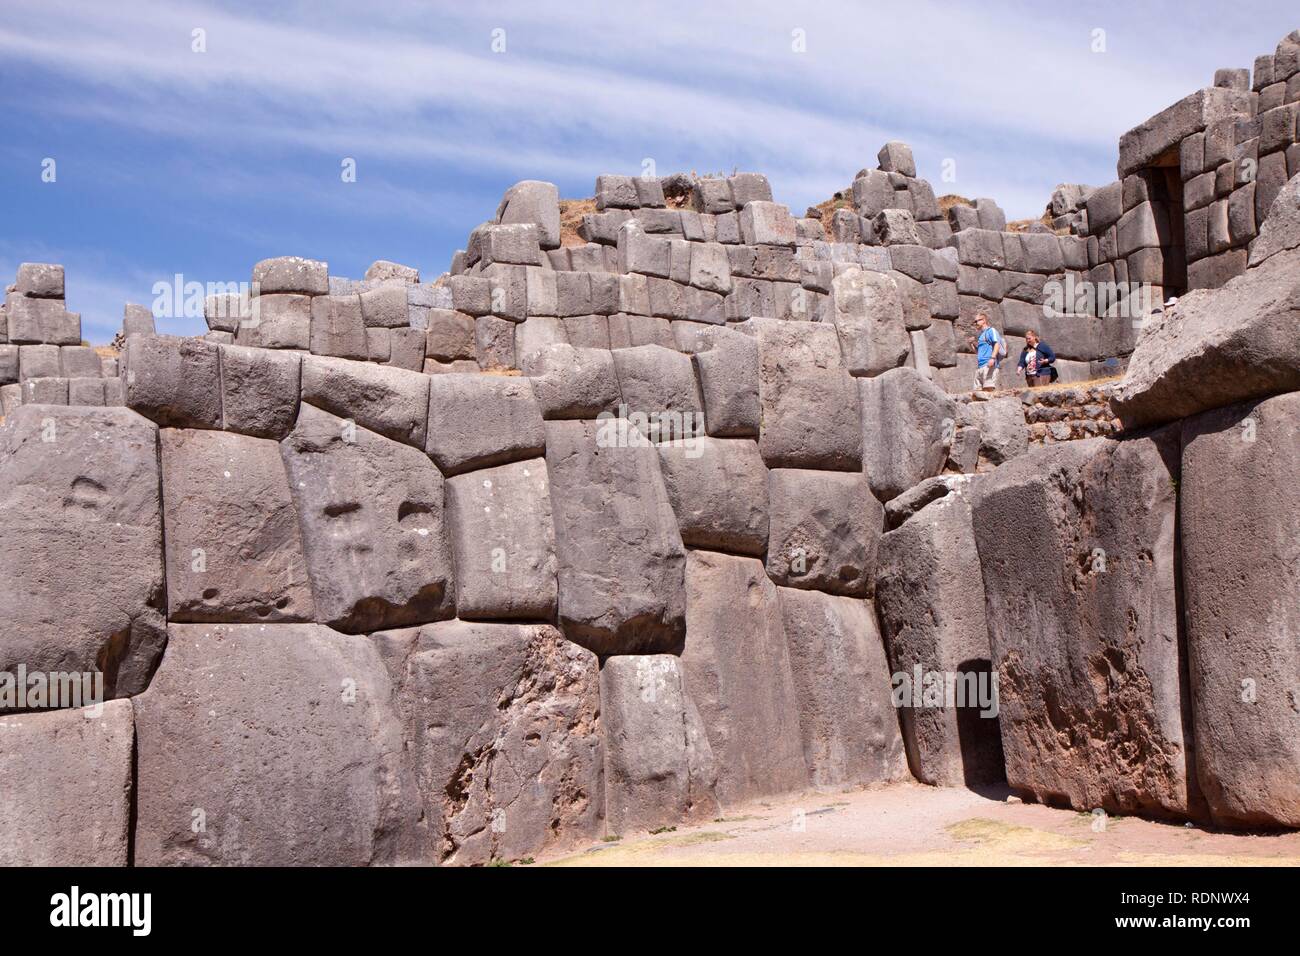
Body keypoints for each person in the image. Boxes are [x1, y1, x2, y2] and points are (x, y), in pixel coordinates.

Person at [972, 312, 1005, 392]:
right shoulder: (981, 336)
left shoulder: (991, 331)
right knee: (977, 393)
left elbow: (997, 344)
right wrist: (971, 344)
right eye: (974, 322)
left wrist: (992, 358)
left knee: (988, 391)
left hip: (989, 365)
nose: (975, 323)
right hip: (980, 366)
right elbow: (978, 352)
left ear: (984, 320)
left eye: (976, 321)